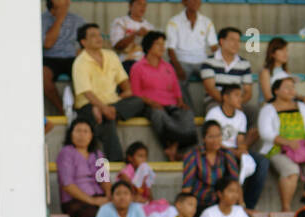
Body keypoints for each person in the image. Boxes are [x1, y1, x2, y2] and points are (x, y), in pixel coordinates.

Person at [72, 22, 146, 163]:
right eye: (93, 36)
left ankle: (112, 112)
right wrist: (101, 107)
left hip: (112, 103)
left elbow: (125, 83)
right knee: (107, 120)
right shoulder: (80, 62)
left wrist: (123, 96)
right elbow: (86, 92)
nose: (99, 38)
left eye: (99, 35)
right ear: (83, 42)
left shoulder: (111, 55)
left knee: (139, 101)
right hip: (87, 105)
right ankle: (116, 161)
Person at [258, 76, 305, 211]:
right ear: (276, 90)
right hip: (278, 150)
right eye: (287, 87)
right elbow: (265, 133)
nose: (291, 90)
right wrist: (287, 142)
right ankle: (286, 208)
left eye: (292, 87)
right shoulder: (268, 109)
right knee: (290, 170)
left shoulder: (302, 107)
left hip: (304, 150)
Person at [130, 32, 197, 162]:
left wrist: (180, 102)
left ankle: (174, 147)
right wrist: (151, 102)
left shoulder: (168, 67)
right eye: (158, 44)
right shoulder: (138, 67)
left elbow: (176, 89)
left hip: (170, 104)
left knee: (187, 114)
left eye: (163, 44)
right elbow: (136, 93)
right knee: (159, 115)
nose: (162, 47)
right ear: (149, 46)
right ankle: (169, 146)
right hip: (150, 105)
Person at [56, 118, 108, 217]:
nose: (82, 135)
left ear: (91, 135)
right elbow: (67, 184)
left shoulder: (98, 154)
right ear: (71, 134)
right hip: (75, 201)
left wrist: (109, 197)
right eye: (78, 131)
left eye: (86, 131)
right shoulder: (65, 153)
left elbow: (105, 179)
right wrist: (92, 201)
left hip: (98, 197)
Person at [164, 0, 217, 114]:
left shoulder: (207, 22)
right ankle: (189, 112)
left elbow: (214, 47)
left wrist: (219, 63)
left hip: (202, 61)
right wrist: (177, 68)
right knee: (178, 81)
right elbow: (170, 49)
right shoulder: (174, 21)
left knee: (216, 77)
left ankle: (214, 109)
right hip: (181, 60)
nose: (195, 2)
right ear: (184, 2)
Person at [182, 120, 239, 213]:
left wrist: (241, 205)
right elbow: (187, 186)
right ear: (203, 138)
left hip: (221, 203)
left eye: (218, 136)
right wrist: (186, 208)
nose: (215, 140)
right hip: (199, 204)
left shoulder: (227, 154)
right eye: (211, 137)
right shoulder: (193, 155)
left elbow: (235, 182)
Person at [201, 27, 255, 125]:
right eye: (232, 40)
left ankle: (245, 141)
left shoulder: (245, 64)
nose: (236, 44)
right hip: (215, 102)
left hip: (237, 102)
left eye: (238, 41)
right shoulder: (209, 62)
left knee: (255, 113)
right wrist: (229, 104)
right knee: (213, 112)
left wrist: (237, 102)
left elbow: (248, 92)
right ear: (221, 41)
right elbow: (211, 89)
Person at [42, 0, 87, 116]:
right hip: (50, 57)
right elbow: (47, 44)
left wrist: (81, 51)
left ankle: (80, 110)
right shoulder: (41, 20)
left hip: (73, 57)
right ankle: (62, 111)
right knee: (42, 76)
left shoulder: (79, 20)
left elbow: (86, 44)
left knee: (85, 71)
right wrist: (59, 19)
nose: (67, 1)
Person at [111, 0, 156, 73]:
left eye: (145, 5)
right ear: (130, 6)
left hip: (146, 63)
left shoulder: (149, 27)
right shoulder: (120, 22)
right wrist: (135, 34)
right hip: (126, 63)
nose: (142, 7)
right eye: (139, 4)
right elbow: (117, 46)